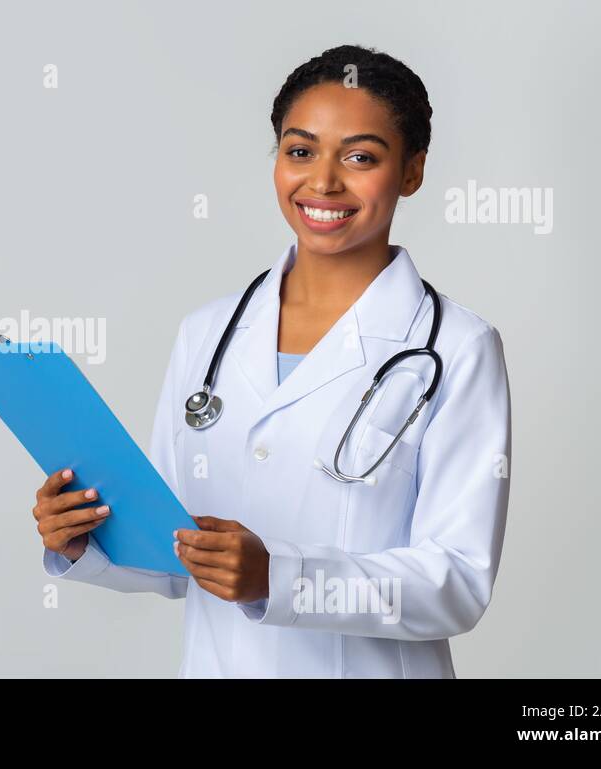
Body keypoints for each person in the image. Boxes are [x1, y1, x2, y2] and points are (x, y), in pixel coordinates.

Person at [32, 44, 511, 678]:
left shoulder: (457, 348)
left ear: (413, 171)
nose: (324, 182)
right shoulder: (207, 333)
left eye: (361, 157)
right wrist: (83, 538)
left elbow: (457, 582)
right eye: (301, 150)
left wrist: (279, 577)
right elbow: (173, 551)